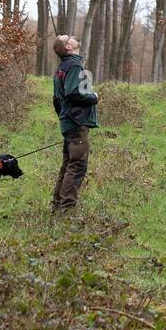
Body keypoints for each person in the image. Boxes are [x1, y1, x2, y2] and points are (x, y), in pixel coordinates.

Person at [50, 34, 99, 214]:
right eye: (68, 37)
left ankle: (57, 207)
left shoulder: (62, 68)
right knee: (77, 166)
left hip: (69, 123)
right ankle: (66, 211)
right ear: (68, 47)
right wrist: (93, 97)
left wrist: (64, 118)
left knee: (68, 164)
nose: (72, 36)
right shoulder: (73, 66)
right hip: (76, 124)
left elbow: (56, 99)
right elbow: (73, 93)